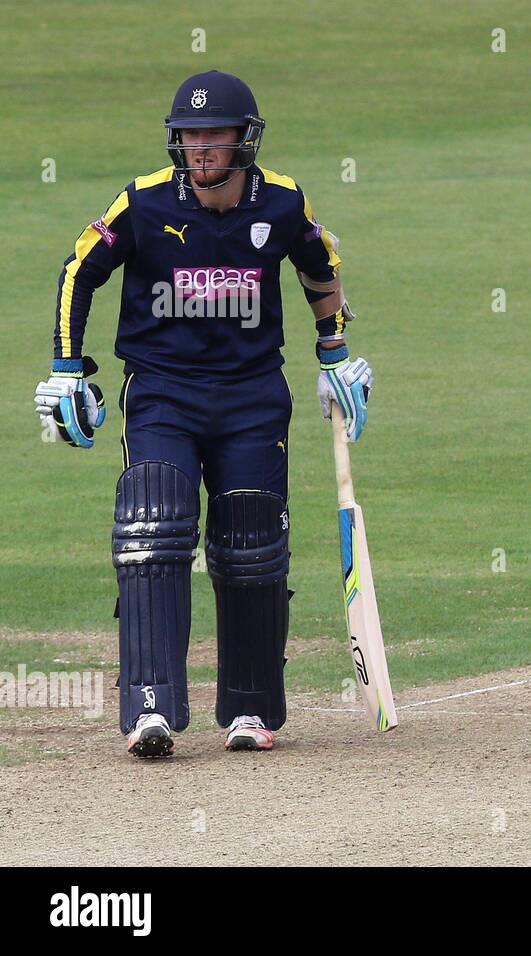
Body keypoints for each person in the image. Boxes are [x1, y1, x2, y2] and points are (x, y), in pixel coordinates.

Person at [34, 70, 375, 757]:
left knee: (252, 545)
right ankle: (151, 706)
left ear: (245, 139)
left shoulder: (283, 202)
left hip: (252, 395)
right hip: (163, 393)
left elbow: (320, 265)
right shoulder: (143, 202)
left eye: (214, 135)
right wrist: (67, 368)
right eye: (189, 136)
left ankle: (250, 708)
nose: (200, 148)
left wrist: (334, 353)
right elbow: (79, 271)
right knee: (154, 530)